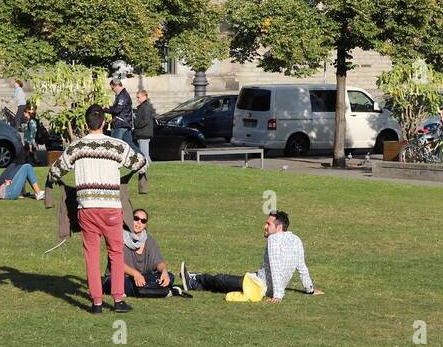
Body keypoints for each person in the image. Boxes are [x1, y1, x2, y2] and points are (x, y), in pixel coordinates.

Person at [48, 105, 149, 314]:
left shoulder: (76, 148)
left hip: (87, 209)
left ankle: (96, 303)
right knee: (116, 253)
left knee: (91, 256)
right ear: (104, 122)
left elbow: (55, 170)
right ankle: (118, 300)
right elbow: (141, 163)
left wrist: (53, 183)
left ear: (86, 123)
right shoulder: (116, 146)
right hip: (111, 208)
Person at [180, 211, 323, 302]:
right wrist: (310, 289)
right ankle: (195, 282)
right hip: (261, 282)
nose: (265, 226)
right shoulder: (296, 240)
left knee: (221, 279)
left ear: (278, 228)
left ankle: (193, 279)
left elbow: (275, 266)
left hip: (258, 284)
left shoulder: (273, 240)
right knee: (225, 283)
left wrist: (278, 295)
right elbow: (302, 267)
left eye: (268, 224)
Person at [104, 208, 187, 299]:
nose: (139, 222)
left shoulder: (149, 240)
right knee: (122, 283)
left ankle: (145, 290)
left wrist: (164, 271)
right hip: (120, 277)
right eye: (136, 218)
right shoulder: (119, 238)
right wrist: (135, 274)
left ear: (145, 225)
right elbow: (117, 264)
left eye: (143, 221)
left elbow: (159, 262)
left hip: (142, 278)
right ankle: (164, 291)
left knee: (169, 276)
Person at [132, 88, 155, 194]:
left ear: (144, 96)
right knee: (144, 152)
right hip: (144, 133)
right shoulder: (144, 106)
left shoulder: (145, 107)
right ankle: (147, 165)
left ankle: (147, 166)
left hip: (144, 133)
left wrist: (137, 125)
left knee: (144, 154)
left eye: (138, 97)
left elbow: (145, 120)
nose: (137, 99)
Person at [107, 79, 136, 149]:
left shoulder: (122, 95)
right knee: (130, 145)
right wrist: (110, 108)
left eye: (112, 88)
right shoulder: (122, 95)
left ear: (116, 86)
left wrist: (106, 110)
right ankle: (141, 157)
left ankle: (141, 157)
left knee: (114, 146)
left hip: (120, 124)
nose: (112, 89)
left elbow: (118, 109)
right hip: (124, 123)